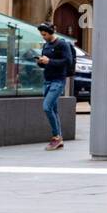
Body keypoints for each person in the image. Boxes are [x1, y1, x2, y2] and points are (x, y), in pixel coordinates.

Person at [36, 22, 72, 150]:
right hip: (47, 80)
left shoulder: (62, 44)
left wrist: (49, 61)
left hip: (58, 80)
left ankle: (56, 136)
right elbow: (45, 64)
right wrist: (41, 62)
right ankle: (59, 139)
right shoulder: (46, 45)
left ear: (50, 32)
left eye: (44, 34)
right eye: (41, 34)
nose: (43, 37)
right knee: (53, 109)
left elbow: (68, 61)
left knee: (47, 107)